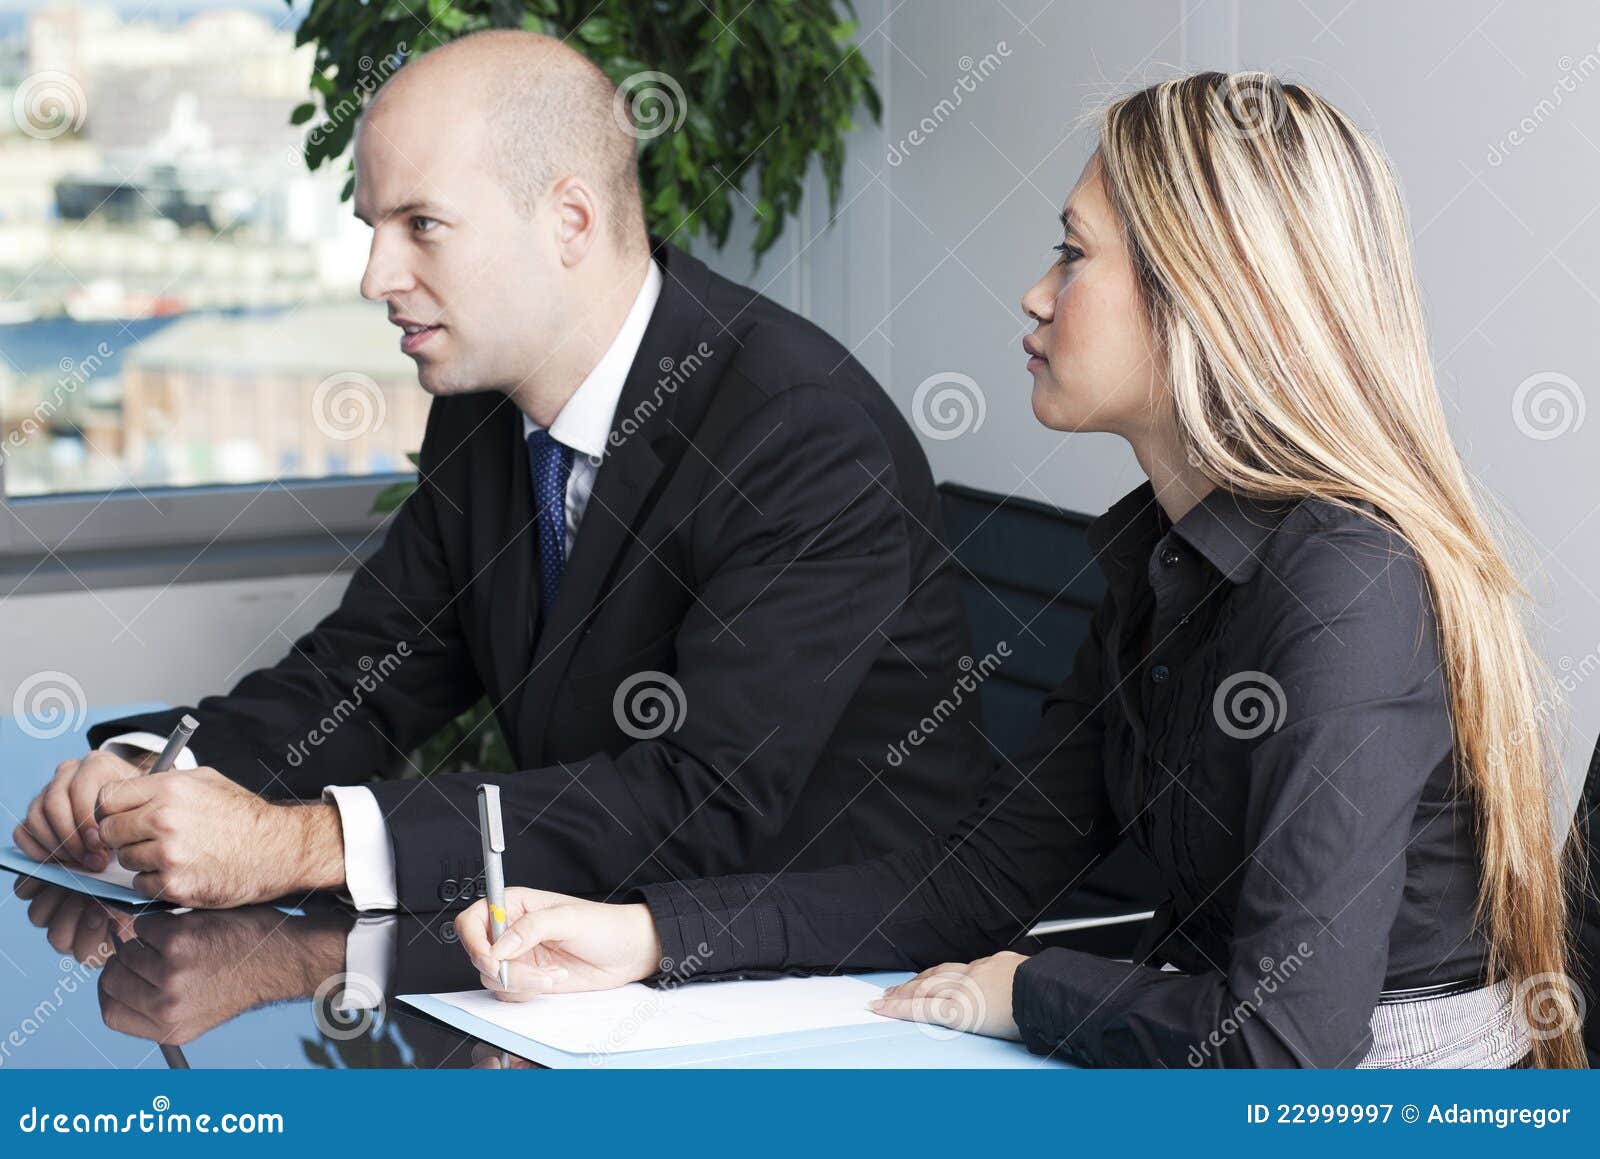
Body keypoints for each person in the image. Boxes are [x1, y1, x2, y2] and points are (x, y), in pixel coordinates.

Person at [455, 71, 1587, 1069]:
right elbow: (979, 881)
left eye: (1073, 252)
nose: (1037, 295)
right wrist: (647, 933)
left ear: (1208, 289)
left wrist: (1019, 991)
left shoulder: (1347, 582)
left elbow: (1288, 1049)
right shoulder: (1163, 548)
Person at [10, 30, 987, 914]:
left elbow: (705, 799)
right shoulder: (485, 412)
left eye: (422, 225)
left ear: (569, 219)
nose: (375, 277)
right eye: (371, 227)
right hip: (580, 958)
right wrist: (152, 771)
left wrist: (299, 842)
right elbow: (363, 678)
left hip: (822, 981)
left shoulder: (801, 434)